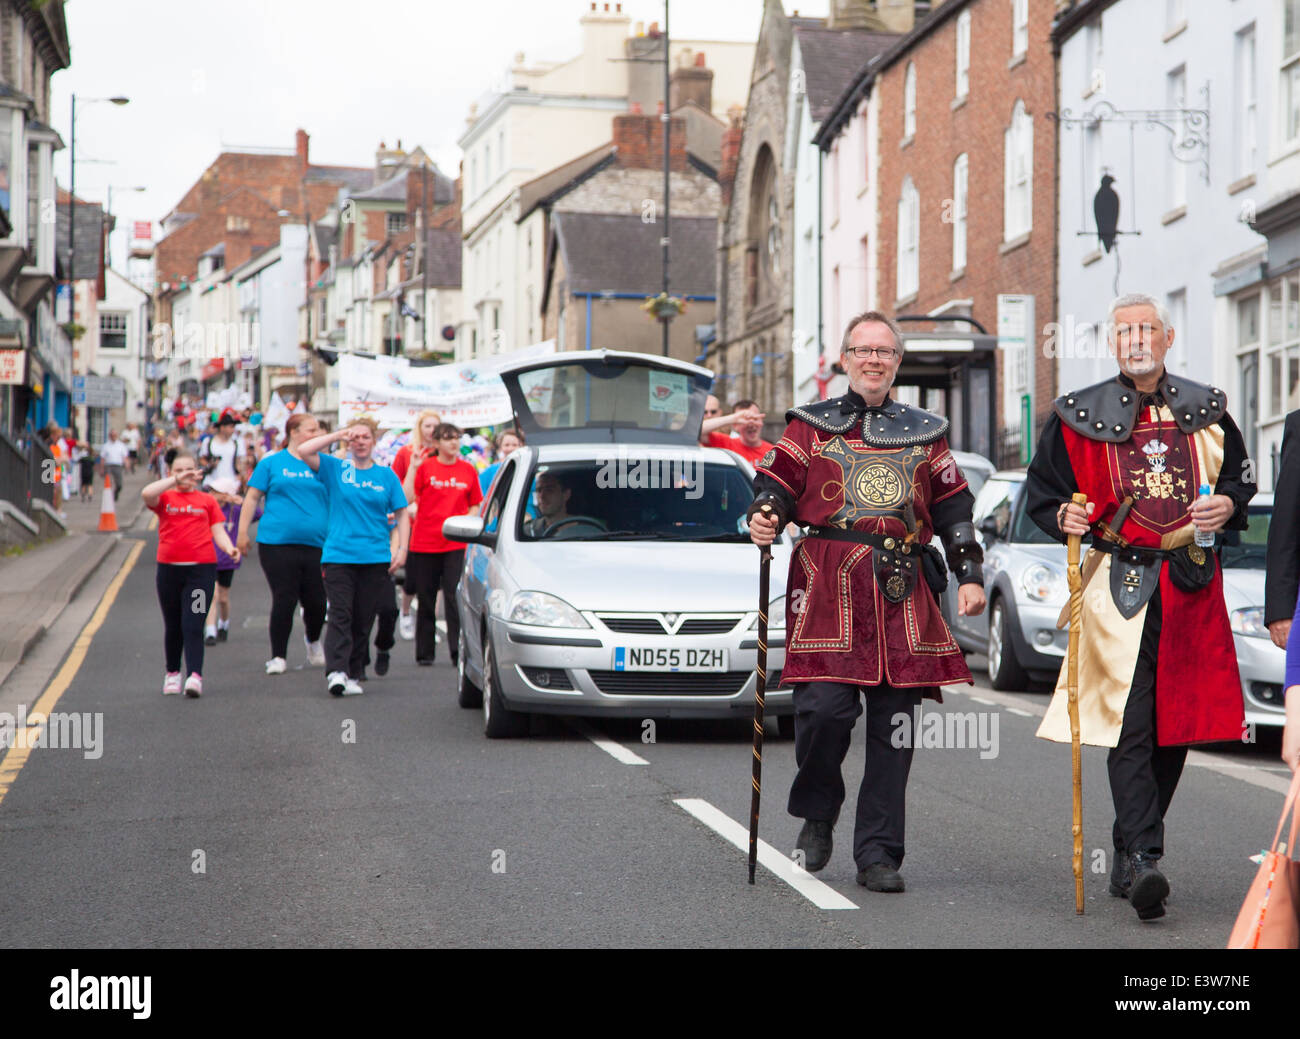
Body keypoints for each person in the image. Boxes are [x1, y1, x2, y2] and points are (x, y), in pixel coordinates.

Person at [1024, 292, 1255, 922]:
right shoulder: (1076, 415)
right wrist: (1063, 517)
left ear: (1168, 337)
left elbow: (1241, 478)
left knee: (1176, 724)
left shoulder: (1207, 409)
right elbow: (1042, 497)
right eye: (1124, 330)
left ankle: (1129, 856)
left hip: (1190, 579)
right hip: (1115, 584)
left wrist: (1229, 504)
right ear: (1111, 342)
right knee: (1131, 724)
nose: (1136, 339)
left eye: (1147, 328)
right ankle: (1146, 857)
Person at [748, 311, 985, 893]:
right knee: (823, 712)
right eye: (863, 350)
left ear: (897, 362)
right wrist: (765, 516)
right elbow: (776, 483)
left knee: (895, 728)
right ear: (845, 360)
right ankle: (819, 811)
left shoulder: (928, 430)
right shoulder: (809, 425)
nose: (874, 360)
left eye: (884, 351)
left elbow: (954, 506)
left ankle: (879, 853)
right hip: (830, 584)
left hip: (903, 588)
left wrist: (969, 573)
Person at [298, 418, 410, 696]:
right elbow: (304, 450)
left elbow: (402, 513)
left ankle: (353, 671)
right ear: (349, 441)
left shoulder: (386, 476)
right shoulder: (336, 469)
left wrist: (402, 549)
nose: (360, 441)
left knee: (363, 618)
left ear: (373, 442)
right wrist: (338, 434)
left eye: (365, 437)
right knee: (340, 613)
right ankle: (336, 671)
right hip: (339, 556)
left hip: (374, 557)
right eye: (355, 437)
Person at [238, 412, 330, 674]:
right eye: (311, 430)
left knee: (316, 601)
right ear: (293, 433)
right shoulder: (272, 463)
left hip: (317, 543)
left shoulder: (326, 464)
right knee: (284, 597)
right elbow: (253, 497)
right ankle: (278, 656)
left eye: (318, 430)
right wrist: (242, 533)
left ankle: (313, 641)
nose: (316, 435)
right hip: (277, 542)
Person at [142, 452, 239, 697]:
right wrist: (175, 480)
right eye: (179, 469)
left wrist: (229, 547)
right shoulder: (164, 498)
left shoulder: (207, 500)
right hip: (169, 571)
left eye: (189, 469)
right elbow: (147, 494)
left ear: (197, 473)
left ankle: (195, 676)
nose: (185, 473)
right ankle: (173, 673)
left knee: (193, 623)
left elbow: (218, 531)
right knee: (173, 625)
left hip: (200, 571)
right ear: (171, 472)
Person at [402, 422, 482, 666]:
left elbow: (475, 504)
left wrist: (466, 522)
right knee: (425, 598)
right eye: (447, 438)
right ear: (436, 443)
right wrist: (414, 469)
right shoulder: (425, 467)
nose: (453, 442)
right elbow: (406, 498)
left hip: (456, 544)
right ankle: (425, 653)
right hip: (425, 541)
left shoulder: (468, 470)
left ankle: (458, 652)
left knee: (454, 597)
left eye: (456, 437)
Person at [392, 409, 442, 641]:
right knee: (411, 578)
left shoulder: (443, 453)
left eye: (435, 426)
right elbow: (395, 483)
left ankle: (429, 622)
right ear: (420, 428)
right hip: (411, 522)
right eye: (427, 426)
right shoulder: (406, 452)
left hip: (436, 521)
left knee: (436, 579)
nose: (431, 431)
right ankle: (405, 611)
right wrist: (405, 507)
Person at [204, 474, 259, 646]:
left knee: (223, 598)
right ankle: (209, 631)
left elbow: (257, 513)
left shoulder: (235, 511)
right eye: (211, 490)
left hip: (228, 560)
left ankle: (224, 624)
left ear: (226, 494)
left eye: (217, 491)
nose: (212, 493)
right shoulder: (208, 508)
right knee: (210, 595)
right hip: (208, 558)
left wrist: (241, 501)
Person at [703, 399, 773, 465]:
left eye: (755, 418)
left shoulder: (773, 452)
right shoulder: (727, 444)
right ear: (735, 425)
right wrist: (734, 418)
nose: (751, 424)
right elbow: (698, 431)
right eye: (745, 419)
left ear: (761, 421)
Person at [479, 428, 524, 496]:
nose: (510, 448)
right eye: (506, 445)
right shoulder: (489, 472)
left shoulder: (528, 469)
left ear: (522, 446)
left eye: (515, 445)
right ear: (500, 447)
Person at [201, 412, 244, 482]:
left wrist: (240, 475)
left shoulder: (237, 443)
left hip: (230, 482)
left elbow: (239, 463)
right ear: (222, 427)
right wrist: (210, 464)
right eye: (231, 427)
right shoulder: (208, 442)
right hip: (211, 482)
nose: (233, 430)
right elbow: (202, 459)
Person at [98, 429, 130, 498]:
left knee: (119, 484)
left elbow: (125, 457)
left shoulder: (121, 445)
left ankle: (116, 492)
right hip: (108, 465)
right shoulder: (106, 446)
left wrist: (127, 464)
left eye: (115, 435)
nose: (113, 436)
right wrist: (101, 468)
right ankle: (109, 496)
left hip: (118, 465)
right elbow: (102, 458)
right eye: (112, 435)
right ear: (109, 436)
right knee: (109, 482)